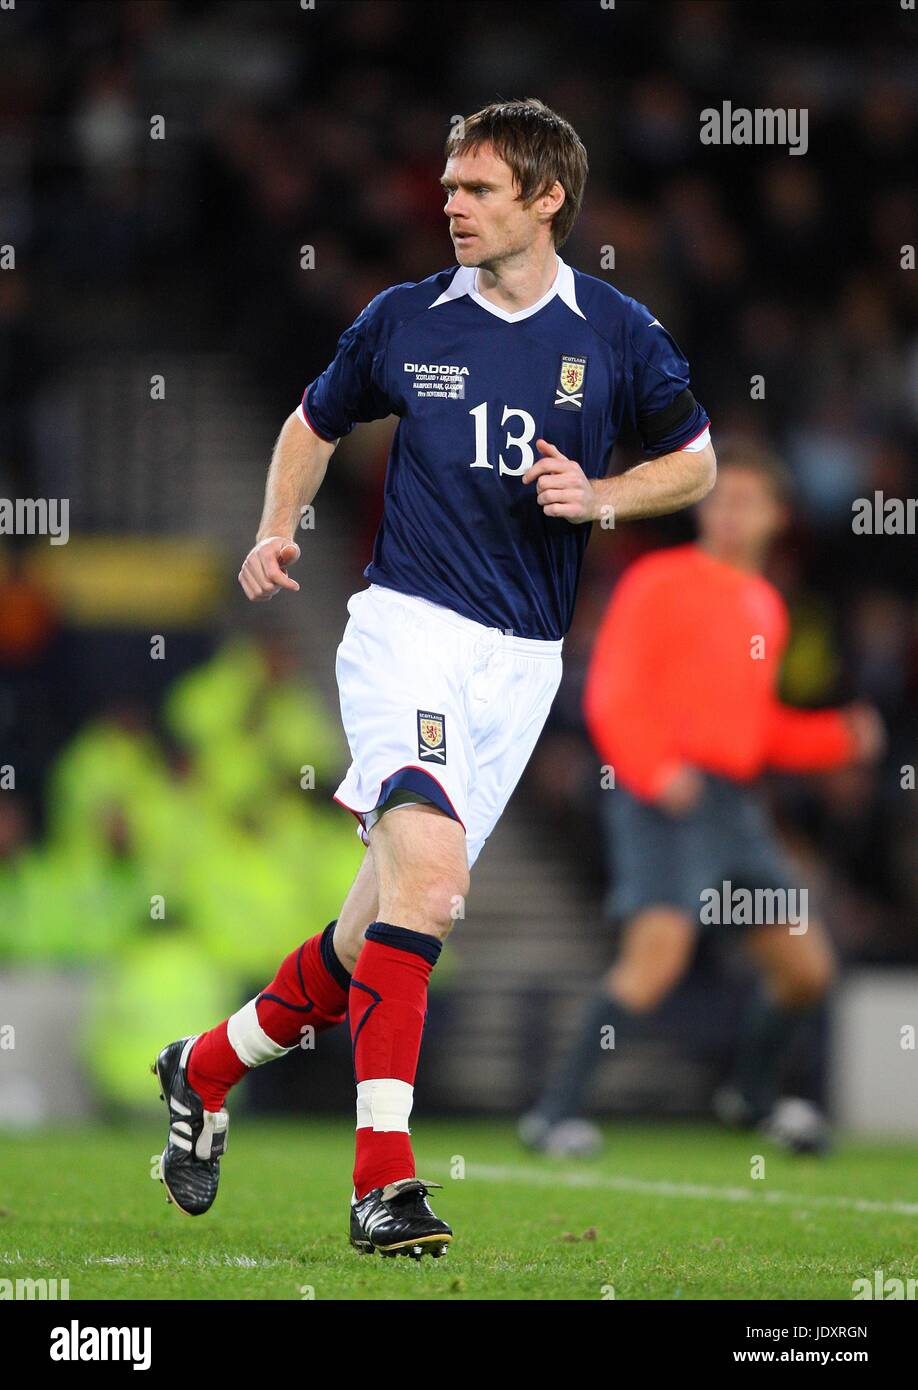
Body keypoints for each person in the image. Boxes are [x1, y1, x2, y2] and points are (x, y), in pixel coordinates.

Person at [153, 98, 715, 1258]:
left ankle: (202, 1069)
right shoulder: (407, 319)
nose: (449, 206)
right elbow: (315, 420)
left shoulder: (614, 333)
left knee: (379, 933)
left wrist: (604, 497)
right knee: (435, 877)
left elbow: (698, 460)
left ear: (546, 197)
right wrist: (275, 524)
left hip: (521, 666)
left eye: (476, 189)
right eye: (449, 188)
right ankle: (383, 1183)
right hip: (408, 627)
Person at [521, 441, 884, 1158]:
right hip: (663, 796)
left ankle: (748, 1097)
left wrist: (837, 738)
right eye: (720, 498)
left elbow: (756, 731)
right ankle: (554, 1112)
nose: (728, 512)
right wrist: (655, 772)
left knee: (807, 969)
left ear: (777, 517)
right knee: (655, 962)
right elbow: (611, 690)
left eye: (746, 500)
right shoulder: (659, 579)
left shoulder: (765, 604)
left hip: (733, 806)